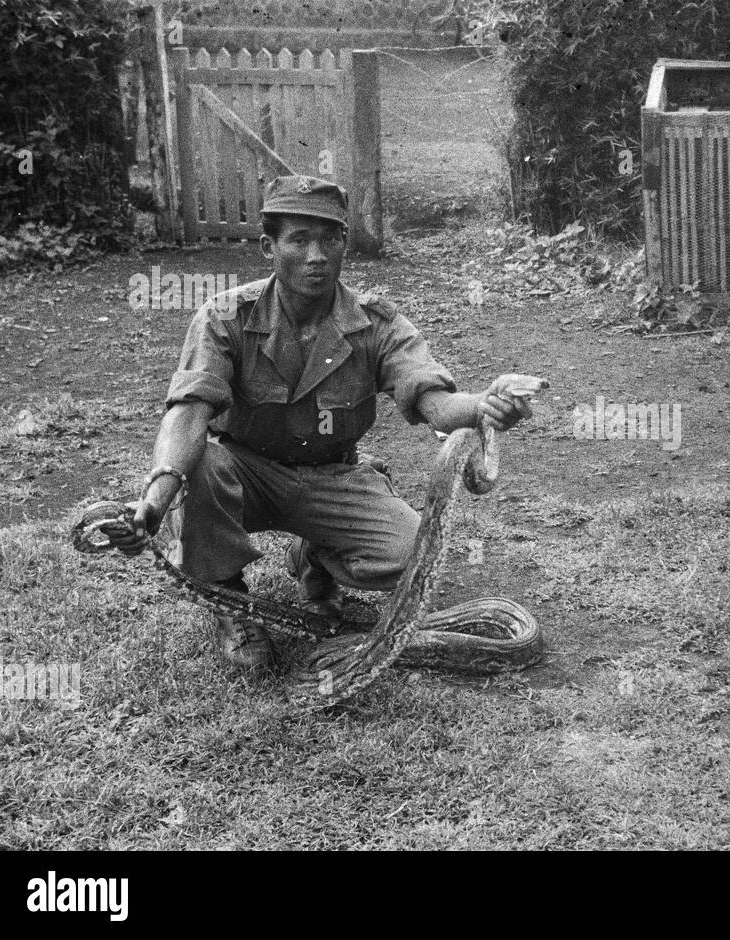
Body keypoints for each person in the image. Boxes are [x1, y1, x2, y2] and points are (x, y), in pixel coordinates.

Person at [107, 175, 533, 671]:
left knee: (409, 555)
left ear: (345, 244)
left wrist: (486, 405)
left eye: (330, 239)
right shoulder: (225, 316)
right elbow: (189, 412)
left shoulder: (379, 324)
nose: (317, 255)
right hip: (247, 472)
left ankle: (313, 560)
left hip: (333, 475)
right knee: (202, 462)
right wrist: (156, 499)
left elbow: (436, 404)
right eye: (299, 240)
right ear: (269, 246)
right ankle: (230, 604)